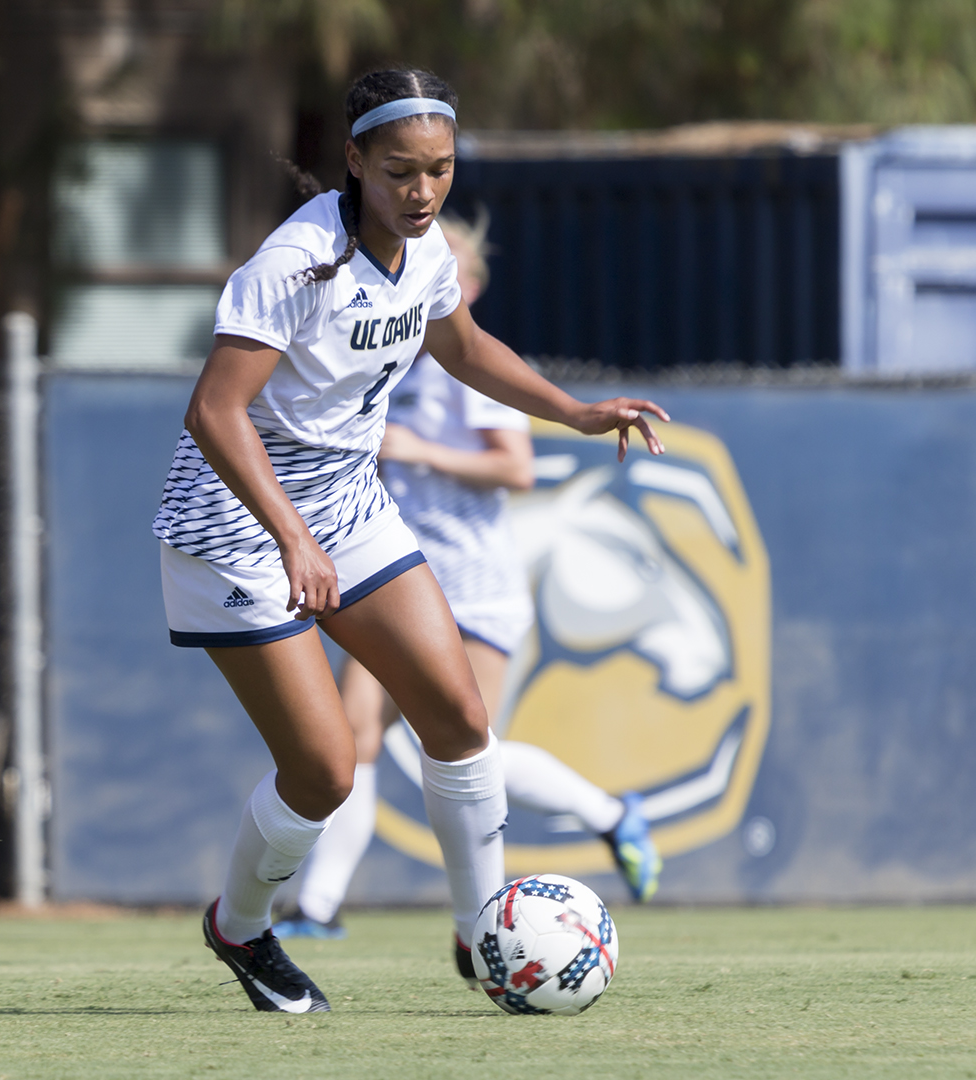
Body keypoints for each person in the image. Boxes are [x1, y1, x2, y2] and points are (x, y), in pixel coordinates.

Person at [152, 67, 667, 1013]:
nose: (422, 191)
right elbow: (214, 412)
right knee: (325, 772)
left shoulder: (424, 252)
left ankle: (483, 936)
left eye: (440, 169)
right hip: (236, 527)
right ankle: (241, 925)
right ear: (354, 161)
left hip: (345, 508)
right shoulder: (297, 262)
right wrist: (291, 538)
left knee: (461, 721)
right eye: (399, 171)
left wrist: (575, 412)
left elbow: (463, 348)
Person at [274, 215, 660, 944]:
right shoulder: (388, 360)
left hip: (474, 590)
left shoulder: (465, 370)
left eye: (432, 258)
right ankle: (317, 909)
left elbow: (516, 467)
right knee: (353, 734)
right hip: (393, 579)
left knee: (468, 749)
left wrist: (421, 450)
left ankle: (602, 823)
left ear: (463, 286)